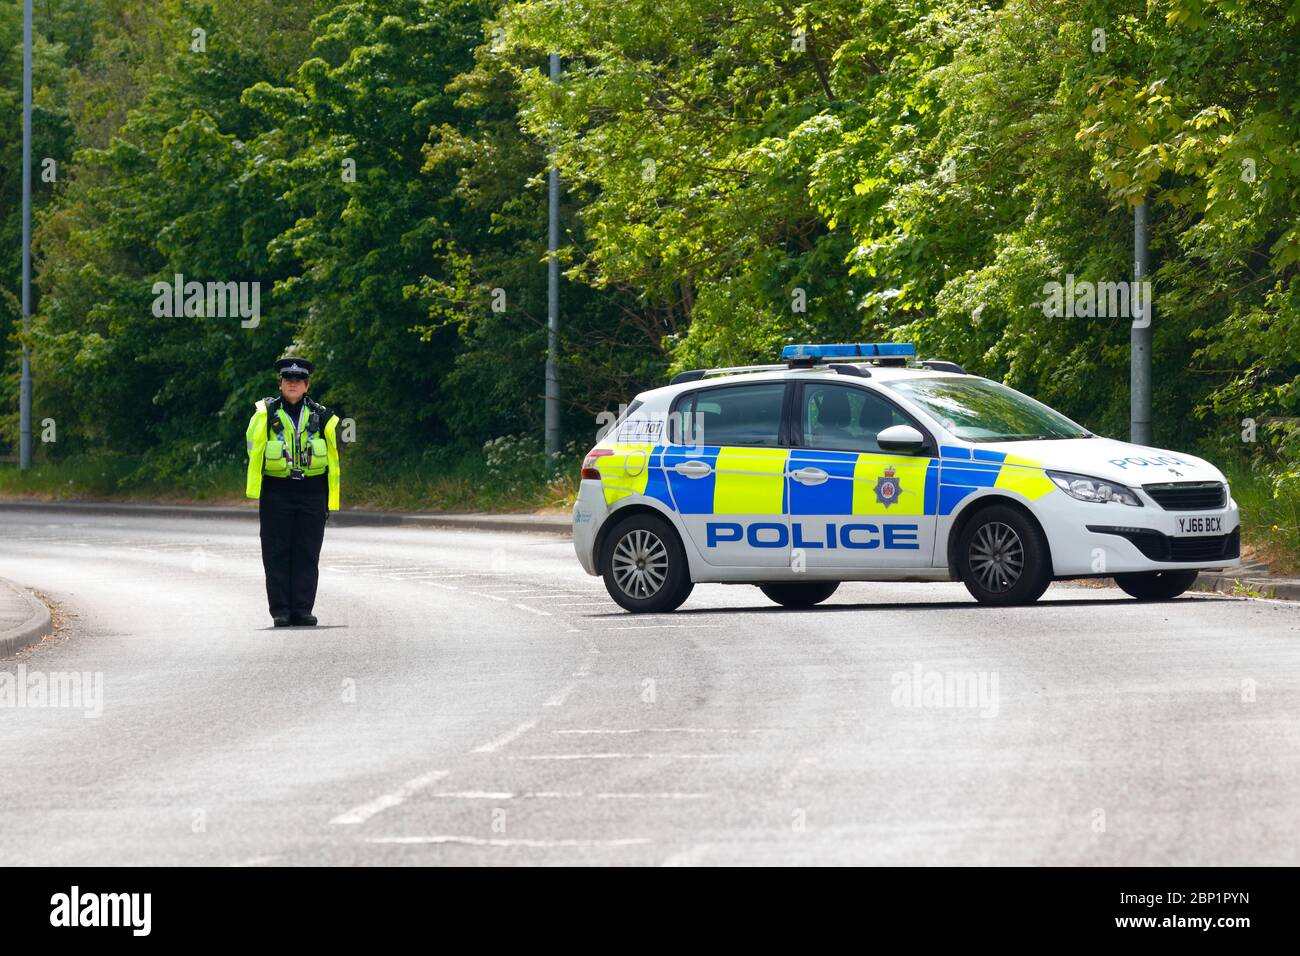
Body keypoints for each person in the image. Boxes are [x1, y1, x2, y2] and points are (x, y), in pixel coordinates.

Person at [244, 357, 342, 627]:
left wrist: (329, 496)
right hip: (277, 489)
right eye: (288, 380)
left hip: (312, 490)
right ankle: (281, 611)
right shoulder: (265, 412)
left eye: (298, 381)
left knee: (307, 551)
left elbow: (333, 458)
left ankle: (302, 609)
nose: (293, 384)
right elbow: (253, 446)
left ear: (307, 385)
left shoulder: (323, 416)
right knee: (276, 551)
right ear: (280, 383)